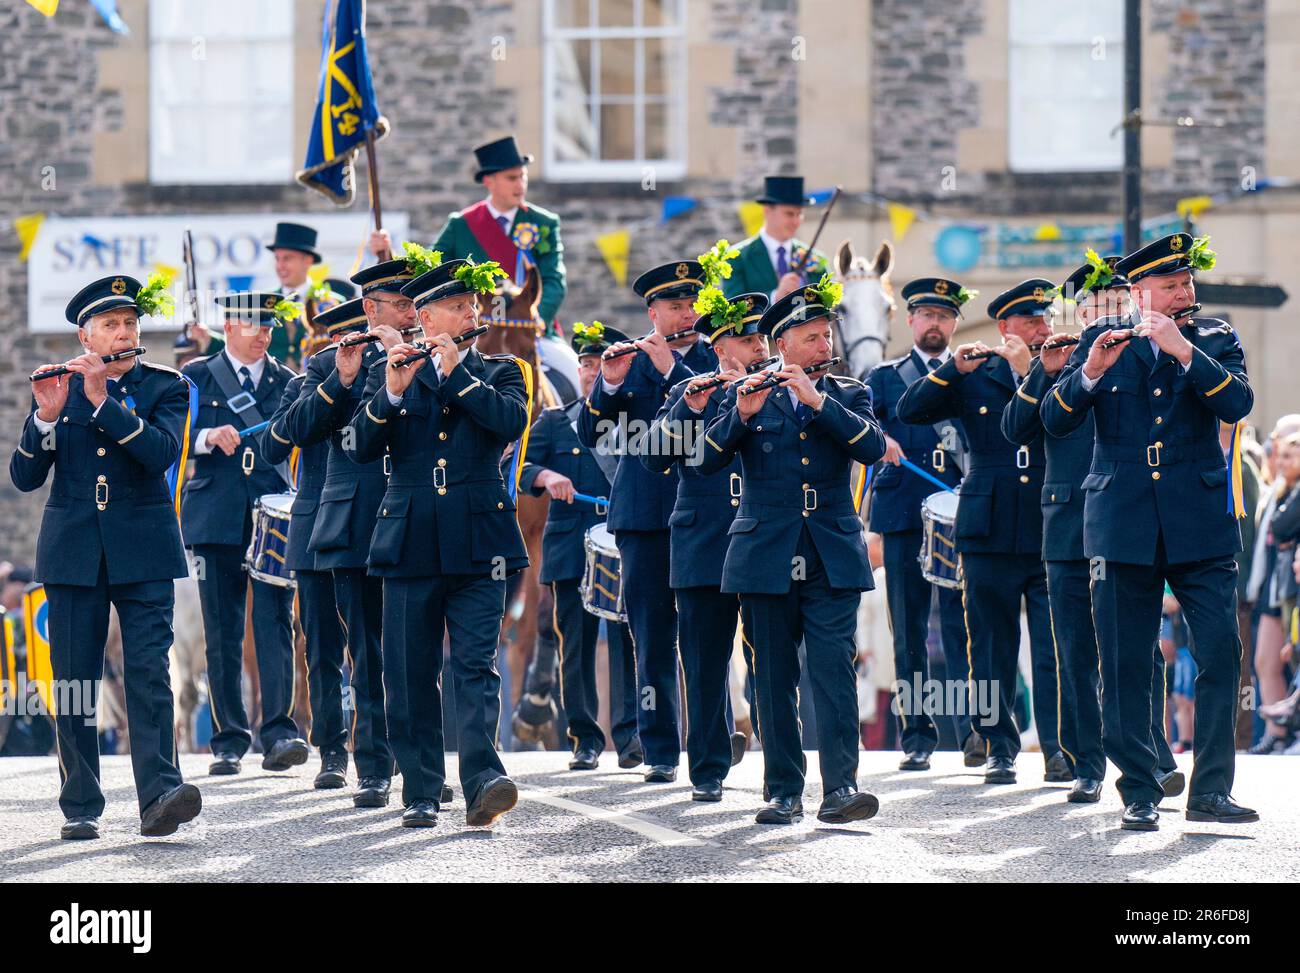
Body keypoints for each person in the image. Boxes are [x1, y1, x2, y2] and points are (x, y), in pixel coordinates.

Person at [1041, 232, 1257, 830]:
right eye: (1170, 285)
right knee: (1126, 659)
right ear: (1138, 293)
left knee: (1220, 651)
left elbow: (1237, 405)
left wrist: (1184, 352)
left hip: (1200, 521)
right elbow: (1054, 422)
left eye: (1187, 282)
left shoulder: (1214, 338)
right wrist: (1086, 373)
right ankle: (1138, 786)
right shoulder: (1099, 341)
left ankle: (1211, 789)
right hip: (1122, 521)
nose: (1184, 292)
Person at [12, 274, 201, 839]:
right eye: (111, 326)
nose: (124, 334)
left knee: (149, 672)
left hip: (143, 544)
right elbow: (24, 477)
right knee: (74, 678)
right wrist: (44, 420)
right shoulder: (59, 386)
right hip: (73, 549)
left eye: (130, 324)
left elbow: (159, 453)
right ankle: (80, 805)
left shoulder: (165, 385)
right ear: (85, 336)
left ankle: (161, 794)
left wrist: (100, 400)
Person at [346, 256, 530, 829]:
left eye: (471, 305)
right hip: (410, 539)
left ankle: (483, 780)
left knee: (476, 666)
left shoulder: (501, 370)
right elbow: (356, 445)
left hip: (480, 539)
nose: (471, 312)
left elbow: (509, 422)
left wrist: (456, 376)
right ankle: (422, 788)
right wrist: (391, 395)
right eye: (457, 306)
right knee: (408, 670)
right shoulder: (389, 372)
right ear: (425, 318)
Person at [698, 275, 887, 824]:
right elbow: (706, 461)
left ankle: (842, 788)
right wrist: (741, 415)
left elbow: (873, 447)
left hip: (831, 552)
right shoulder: (744, 394)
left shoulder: (849, 394)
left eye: (826, 336)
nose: (824, 346)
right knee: (772, 677)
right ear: (782, 345)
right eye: (811, 338)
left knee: (833, 669)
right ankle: (782, 789)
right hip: (764, 553)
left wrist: (818, 401)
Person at [1003, 255, 1185, 803]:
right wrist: (1043, 370)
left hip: (1131, 519)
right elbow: (1016, 429)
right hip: (1069, 523)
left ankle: (1152, 753)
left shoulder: (1145, 354)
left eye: (1115, 302)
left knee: (1139, 646)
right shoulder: (1065, 359)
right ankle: (1085, 764)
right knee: (1074, 648)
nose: (1107, 313)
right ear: (1079, 311)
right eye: (1095, 305)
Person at [897, 279, 1064, 784]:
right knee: (989, 645)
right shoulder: (977, 371)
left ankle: (1059, 747)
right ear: (1005, 328)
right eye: (1031, 322)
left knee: (1054, 644)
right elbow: (911, 412)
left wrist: (1028, 373)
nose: (1042, 330)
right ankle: (998, 744)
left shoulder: (1062, 370)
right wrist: (952, 368)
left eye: (1046, 320)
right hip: (987, 523)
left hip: (1047, 521)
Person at [576, 260, 717, 782]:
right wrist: (608, 388)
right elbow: (590, 434)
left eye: (690, 305)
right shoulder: (627, 361)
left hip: (702, 512)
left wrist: (669, 372)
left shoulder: (711, 355)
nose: (685, 314)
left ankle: (713, 745)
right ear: (652, 312)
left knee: (706, 636)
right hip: (642, 514)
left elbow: (719, 407)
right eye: (674, 307)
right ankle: (658, 748)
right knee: (651, 636)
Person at [641, 284, 772, 800]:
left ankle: (779, 764)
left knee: (772, 659)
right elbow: (652, 457)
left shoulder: (781, 388)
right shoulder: (688, 391)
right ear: (720, 349)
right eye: (746, 341)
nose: (758, 348)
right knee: (704, 659)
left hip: (765, 537)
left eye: (762, 338)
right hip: (703, 541)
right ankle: (709, 769)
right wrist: (689, 411)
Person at [269, 297, 398, 806]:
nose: (352, 345)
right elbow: (282, 439)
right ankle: (331, 751)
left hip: (366, 521)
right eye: (343, 337)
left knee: (373, 648)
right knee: (321, 646)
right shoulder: (316, 374)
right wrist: (333, 384)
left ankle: (384, 751)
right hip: (315, 522)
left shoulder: (392, 367)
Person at [181, 292, 308, 776]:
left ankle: (278, 732)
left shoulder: (288, 381)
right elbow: (171, 440)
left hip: (272, 514)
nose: (263, 335)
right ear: (229, 326)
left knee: (276, 624)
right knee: (222, 629)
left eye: (269, 327)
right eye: (254, 326)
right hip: (216, 515)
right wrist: (205, 438)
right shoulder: (195, 376)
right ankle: (229, 739)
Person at [517, 322, 642, 771]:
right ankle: (584, 738)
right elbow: (518, 464)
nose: (590, 373)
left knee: (631, 642)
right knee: (577, 647)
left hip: (626, 544)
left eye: (600, 364)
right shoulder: (554, 421)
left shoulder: (635, 421)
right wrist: (546, 477)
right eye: (586, 365)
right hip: (572, 547)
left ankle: (631, 736)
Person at [865, 277, 975, 770]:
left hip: (958, 516)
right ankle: (916, 733)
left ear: (955, 323)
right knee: (908, 629)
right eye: (926, 315)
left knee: (961, 626)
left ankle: (972, 730)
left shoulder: (970, 374)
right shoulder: (884, 378)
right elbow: (861, 432)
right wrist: (878, 442)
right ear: (910, 321)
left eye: (944, 316)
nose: (935, 324)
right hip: (904, 515)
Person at [430, 136, 566, 330]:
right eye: (512, 178)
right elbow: (431, 268)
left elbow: (554, 282)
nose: (520, 185)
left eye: (523, 176)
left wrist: (536, 318)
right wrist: (387, 252)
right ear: (489, 181)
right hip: (476, 328)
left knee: (569, 362)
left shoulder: (544, 222)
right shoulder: (460, 224)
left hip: (530, 327)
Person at [722, 177, 827, 303]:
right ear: (767, 211)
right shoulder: (736, 258)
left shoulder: (816, 258)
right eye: (789, 214)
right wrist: (775, 296)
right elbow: (732, 308)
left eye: (799, 214)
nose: (796, 221)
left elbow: (829, 304)